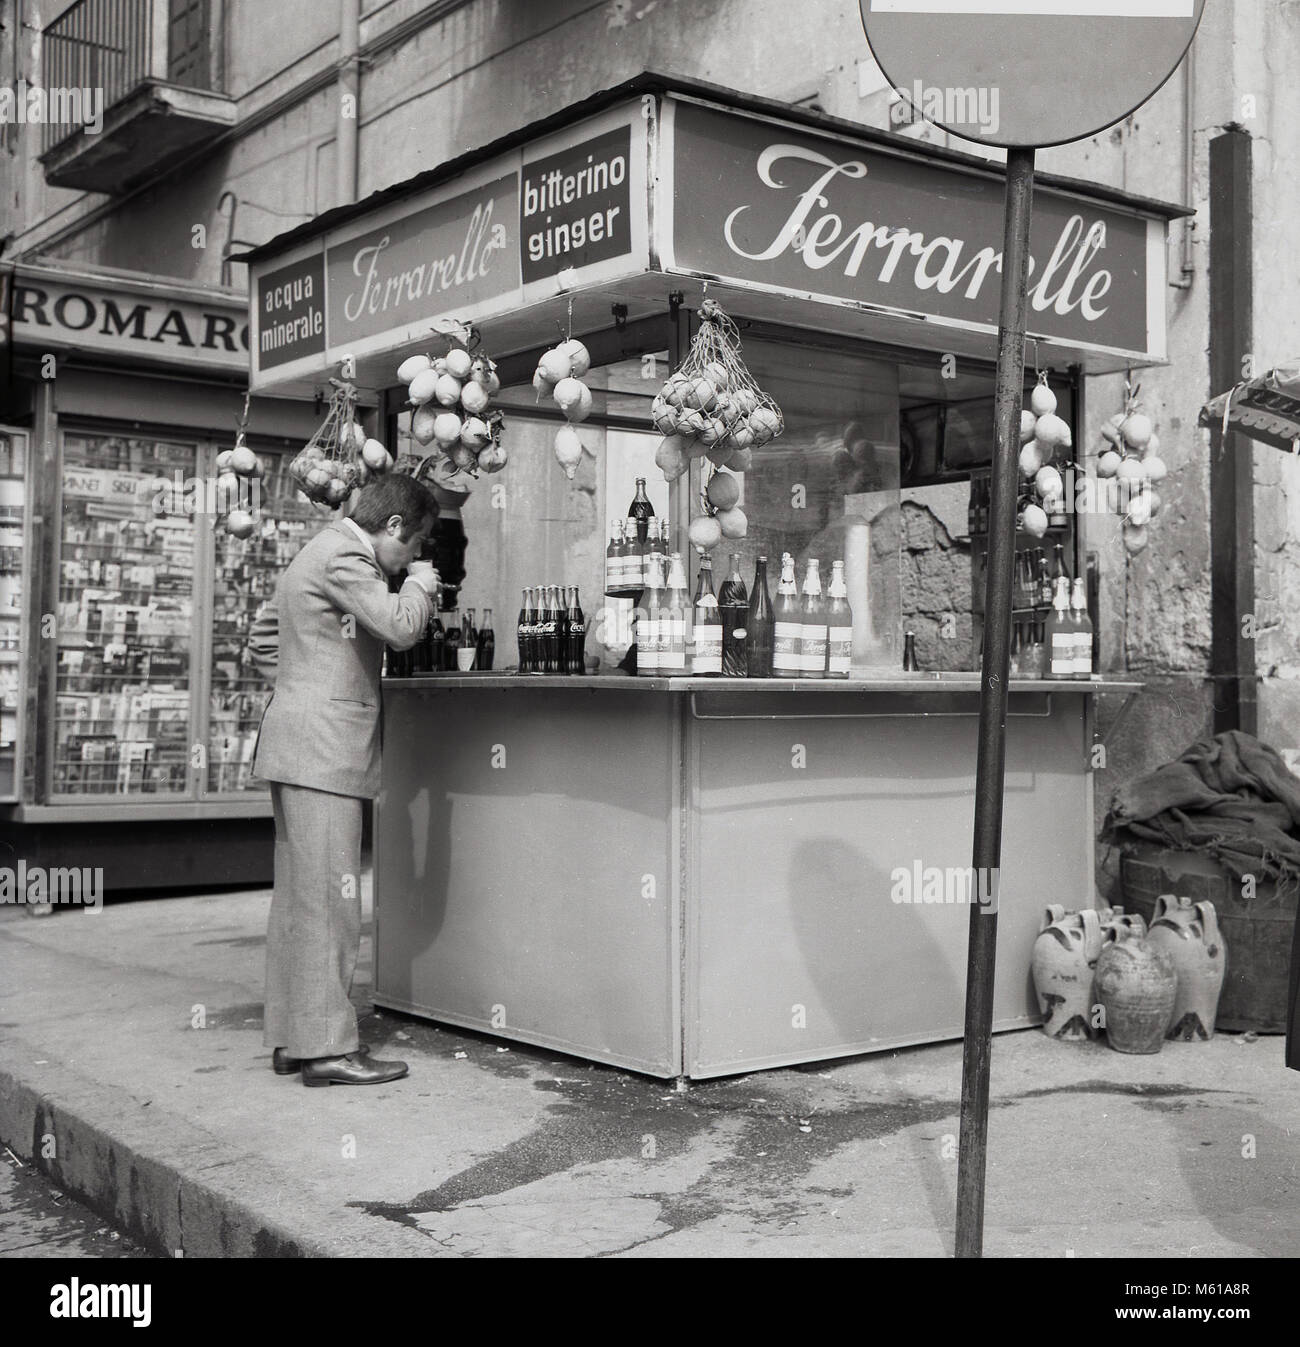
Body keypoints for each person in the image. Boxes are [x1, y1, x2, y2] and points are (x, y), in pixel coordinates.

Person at [248, 474, 439, 1086]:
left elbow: (261, 638)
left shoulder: (316, 549)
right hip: (323, 751)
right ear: (393, 528)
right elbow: (400, 626)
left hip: (298, 742)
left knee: (302, 904)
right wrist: (418, 585)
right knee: (332, 904)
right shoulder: (347, 554)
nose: (410, 558)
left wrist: (304, 683)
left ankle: (293, 1038)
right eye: (412, 547)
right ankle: (327, 1049)